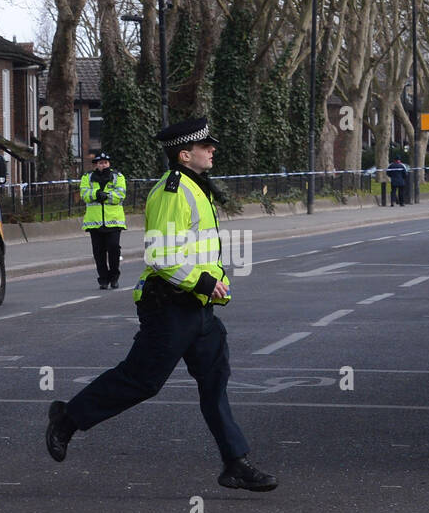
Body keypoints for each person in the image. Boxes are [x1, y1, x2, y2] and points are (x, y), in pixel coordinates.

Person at [45, 117, 277, 492]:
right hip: (170, 307)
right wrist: (205, 282)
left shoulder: (196, 188)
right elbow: (162, 257)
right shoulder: (173, 192)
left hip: (198, 307)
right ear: (185, 155)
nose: (212, 150)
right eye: (206, 147)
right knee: (142, 381)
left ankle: (236, 463)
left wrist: (219, 285)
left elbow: (202, 251)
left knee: (214, 384)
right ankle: (67, 418)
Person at [80, 151, 127, 289]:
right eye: (100, 163)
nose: (103, 165)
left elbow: (121, 194)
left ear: (109, 164)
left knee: (114, 249)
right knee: (98, 253)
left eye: (106, 162)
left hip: (114, 221)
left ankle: (114, 277)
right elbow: (84, 193)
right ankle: (103, 279)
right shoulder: (87, 177)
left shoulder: (118, 176)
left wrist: (105, 196)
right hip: (94, 222)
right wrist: (95, 193)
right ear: (96, 165)